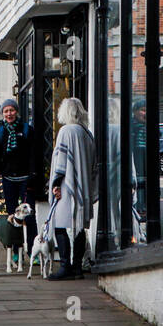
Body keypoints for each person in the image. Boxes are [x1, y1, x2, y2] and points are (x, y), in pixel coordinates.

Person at [48, 97, 96, 280]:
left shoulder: (66, 131)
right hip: (82, 186)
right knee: (79, 227)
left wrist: (55, 185)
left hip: (66, 187)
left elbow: (61, 160)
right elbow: (93, 164)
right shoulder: (86, 133)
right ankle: (77, 268)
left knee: (61, 225)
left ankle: (65, 266)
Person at [0, 98, 36, 262]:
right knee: (12, 217)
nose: (9, 114)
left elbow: (33, 156)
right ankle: (16, 251)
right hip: (8, 179)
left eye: (12, 110)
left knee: (29, 216)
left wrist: (32, 177)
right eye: (6, 111)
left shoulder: (27, 130)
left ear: (17, 112)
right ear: (3, 114)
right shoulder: (0, 134)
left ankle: (32, 251)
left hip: (25, 180)